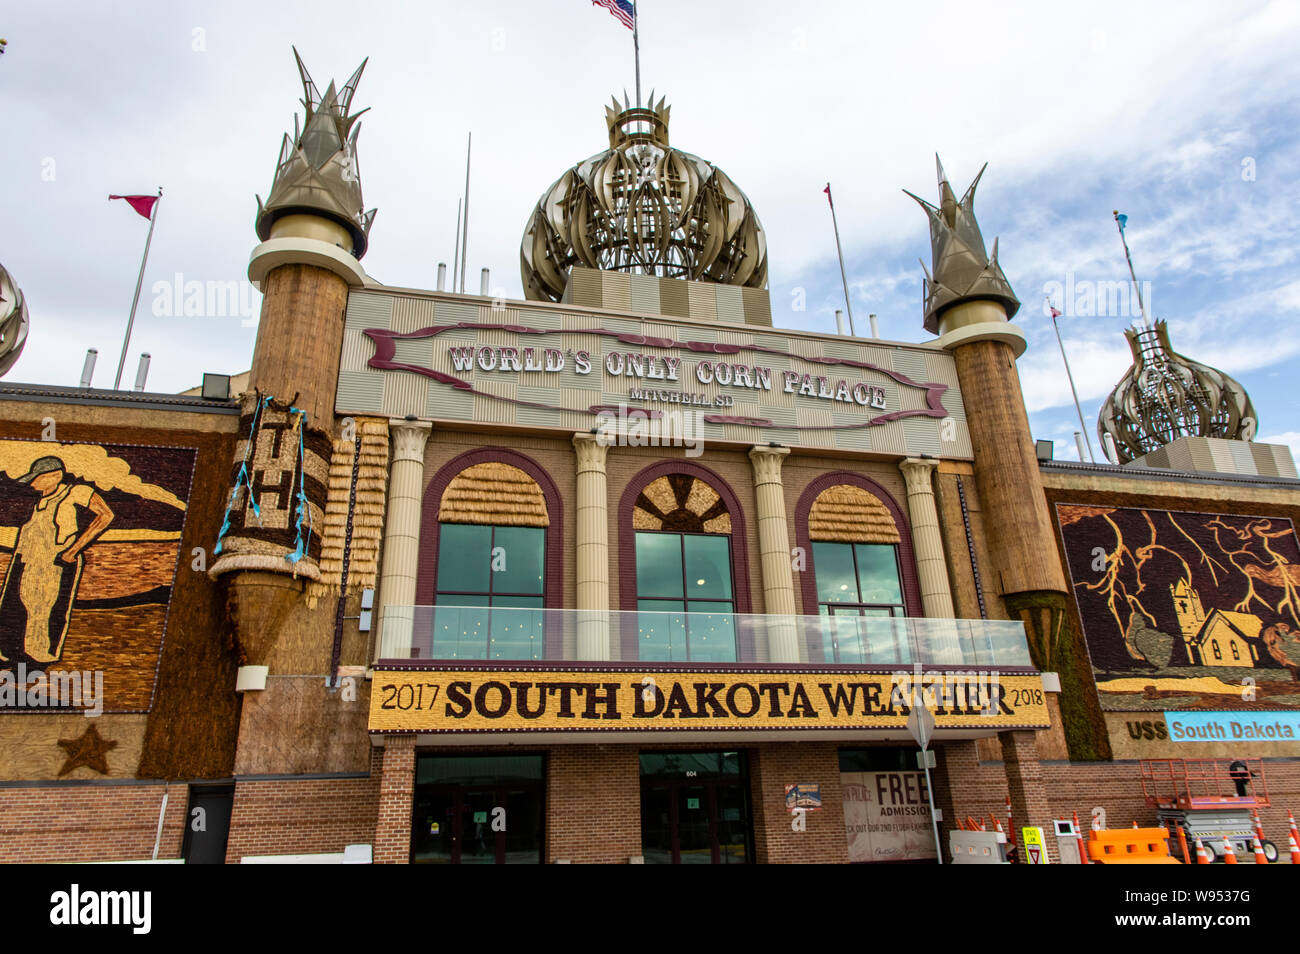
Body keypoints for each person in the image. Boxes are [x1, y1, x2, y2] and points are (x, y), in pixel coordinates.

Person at [0, 456, 113, 663]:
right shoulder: (41, 502)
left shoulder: (73, 492)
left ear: (55, 476)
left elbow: (106, 515)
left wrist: (73, 551)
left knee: (43, 610)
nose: (32, 483)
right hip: (30, 561)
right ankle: (12, 655)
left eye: (36, 478)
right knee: (17, 607)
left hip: (54, 562)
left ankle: (37, 659)